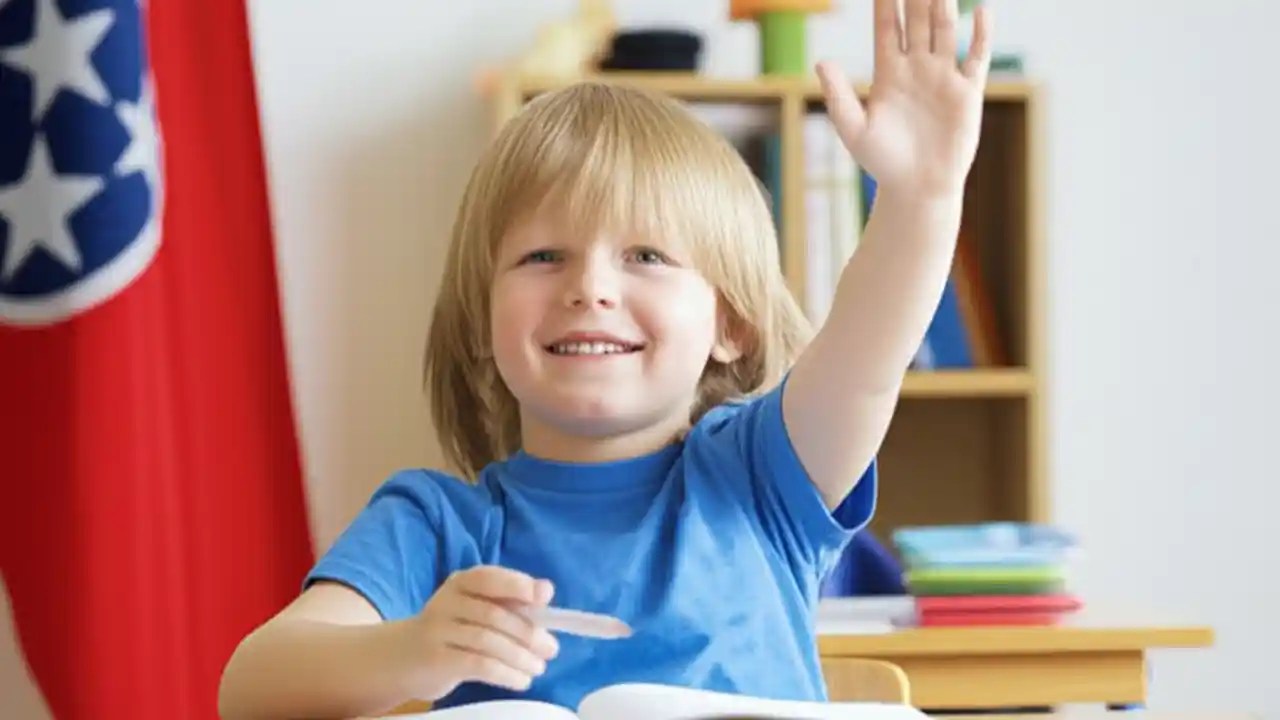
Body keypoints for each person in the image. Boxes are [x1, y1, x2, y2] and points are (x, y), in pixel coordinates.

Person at [218, 0, 992, 717]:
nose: (589, 288)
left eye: (647, 255)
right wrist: (409, 652)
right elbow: (253, 685)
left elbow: (867, 357)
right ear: (482, 322)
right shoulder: (434, 523)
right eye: (543, 256)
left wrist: (921, 199)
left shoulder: (763, 476)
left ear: (733, 325)